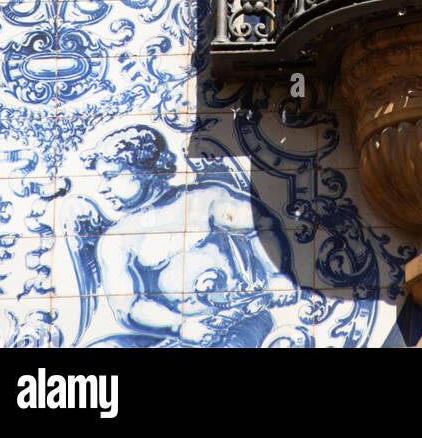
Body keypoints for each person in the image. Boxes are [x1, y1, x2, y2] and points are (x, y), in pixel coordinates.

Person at [76, 125, 294, 347]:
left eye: (111, 176)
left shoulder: (205, 199)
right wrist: (179, 326)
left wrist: (276, 275)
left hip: (240, 319)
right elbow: (128, 306)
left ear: (145, 169)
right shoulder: (116, 240)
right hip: (178, 335)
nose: (103, 188)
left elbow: (261, 225)